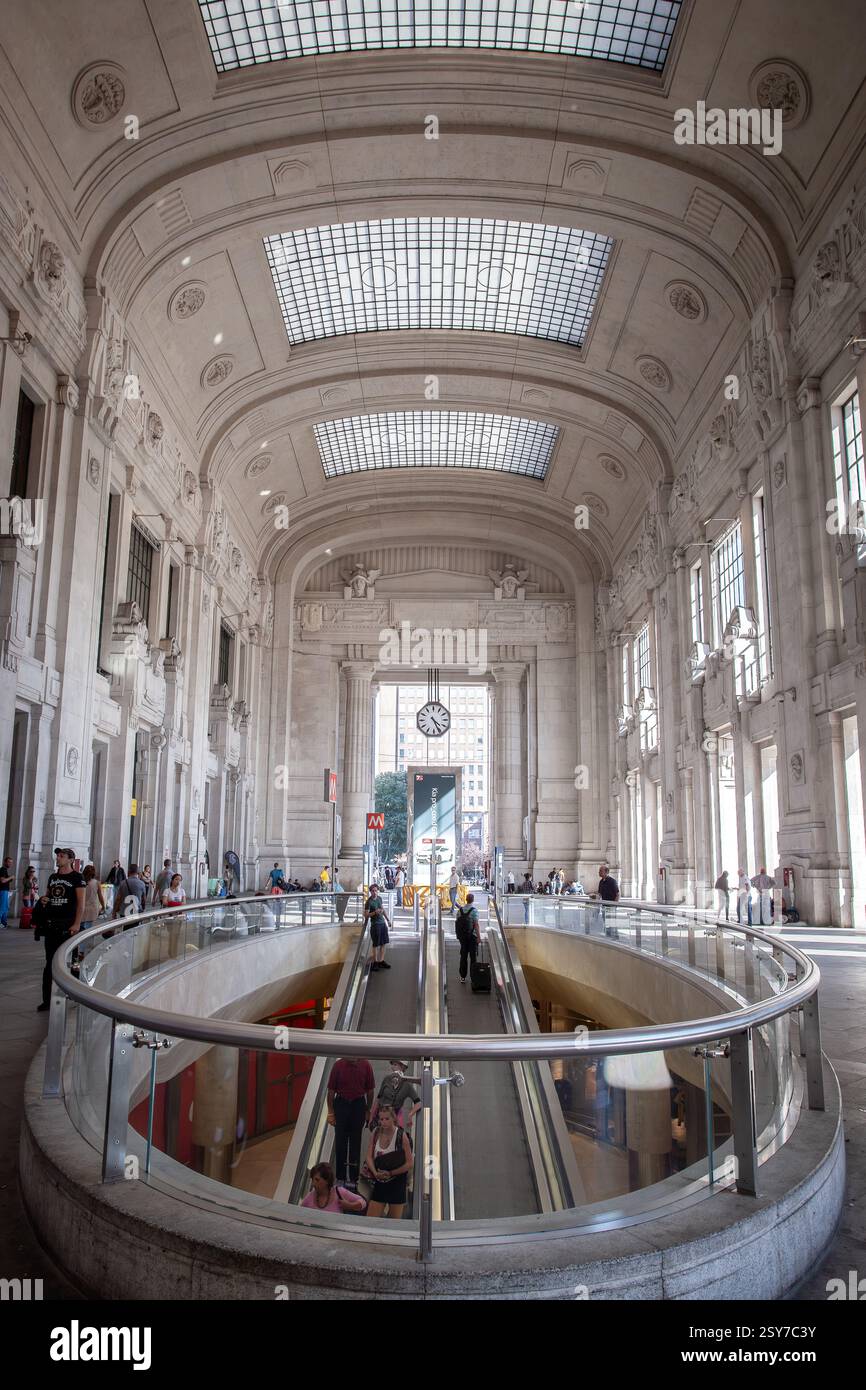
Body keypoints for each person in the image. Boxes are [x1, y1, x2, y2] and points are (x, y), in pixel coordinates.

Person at [35, 848, 84, 1011]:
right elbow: (48, 895)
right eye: (57, 855)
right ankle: (47, 1000)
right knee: (49, 962)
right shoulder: (53, 877)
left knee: (70, 962)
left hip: (68, 925)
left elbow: (80, 903)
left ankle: (73, 993)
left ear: (70, 859)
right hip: (52, 924)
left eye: (62, 856)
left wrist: (77, 923)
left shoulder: (77, 878)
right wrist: (43, 899)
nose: (58, 858)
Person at [327, 1054, 375, 1188]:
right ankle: (340, 1177)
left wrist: (368, 1110)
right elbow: (331, 1090)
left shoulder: (366, 1065)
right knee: (340, 1142)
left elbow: (370, 1090)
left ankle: (353, 1178)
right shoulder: (338, 1065)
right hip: (341, 1104)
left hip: (358, 1104)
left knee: (355, 1142)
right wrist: (331, 1112)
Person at [365, 1104, 413, 1220]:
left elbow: (409, 1163)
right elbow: (369, 1157)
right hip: (380, 1181)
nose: (384, 1122)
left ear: (394, 1119)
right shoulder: (376, 1133)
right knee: (370, 1220)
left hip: (397, 1182)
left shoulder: (401, 1136)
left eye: (387, 1119)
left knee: (393, 1222)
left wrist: (391, 1173)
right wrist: (375, 1173)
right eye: (381, 1119)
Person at [369, 1060, 421, 1135]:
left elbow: (418, 1103)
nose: (393, 1067)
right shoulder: (387, 1079)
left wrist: (410, 1114)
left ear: (403, 1067)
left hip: (394, 1118)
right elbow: (378, 1099)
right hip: (380, 1116)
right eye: (392, 1064)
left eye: (395, 1064)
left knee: (393, 1140)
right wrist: (371, 1117)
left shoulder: (407, 1085)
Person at [300, 1161, 367, 1215]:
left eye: (317, 1180)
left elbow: (363, 1202)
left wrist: (350, 1205)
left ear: (327, 1180)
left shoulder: (339, 1192)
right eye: (312, 1179)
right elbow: (299, 1214)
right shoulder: (310, 1197)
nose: (313, 1184)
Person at [365, 881, 392, 971]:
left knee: (383, 943)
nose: (374, 892)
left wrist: (388, 920)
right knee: (376, 944)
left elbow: (383, 910)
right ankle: (375, 962)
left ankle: (381, 961)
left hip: (382, 923)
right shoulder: (369, 902)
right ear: (370, 892)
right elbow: (366, 915)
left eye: (376, 890)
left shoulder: (379, 898)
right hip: (375, 925)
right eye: (373, 891)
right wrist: (374, 913)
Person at [455, 893, 480, 983]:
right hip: (472, 937)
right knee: (473, 957)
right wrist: (479, 937)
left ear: (466, 899)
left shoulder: (460, 910)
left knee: (463, 956)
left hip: (463, 937)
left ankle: (462, 977)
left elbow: (457, 922)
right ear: (472, 900)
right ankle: (473, 977)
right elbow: (476, 924)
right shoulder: (474, 911)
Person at [0, 856, 13, 927]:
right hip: (2, 891)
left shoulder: (4, 870)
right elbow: (2, 880)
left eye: (11, 863)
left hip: (5, 890)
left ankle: (4, 923)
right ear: (5, 862)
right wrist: (11, 877)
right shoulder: (2, 870)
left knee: (5, 907)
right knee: (2, 907)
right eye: (9, 862)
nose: (10, 864)